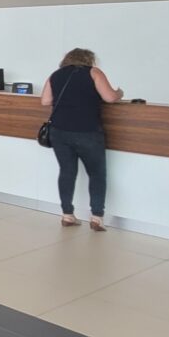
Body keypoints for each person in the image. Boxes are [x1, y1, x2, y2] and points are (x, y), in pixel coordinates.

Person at [40, 48, 123, 231]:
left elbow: (45, 101)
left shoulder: (56, 75)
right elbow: (109, 97)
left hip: (59, 131)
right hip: (88, 131)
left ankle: (67, 215)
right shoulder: (94, 73)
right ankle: (96, 217)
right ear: (89, 59)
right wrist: (119, 93)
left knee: (67, 172)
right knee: (97, 174)